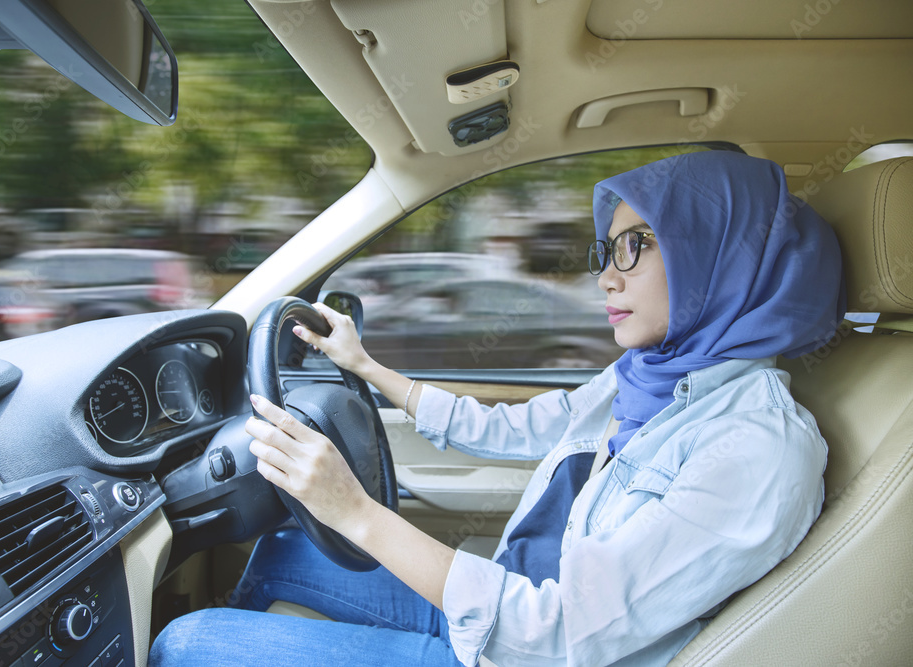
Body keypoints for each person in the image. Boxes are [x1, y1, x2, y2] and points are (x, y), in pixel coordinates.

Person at [149, 150, 845, 666]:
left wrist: (355, 510)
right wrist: (365, 366)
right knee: (284, 549)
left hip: (525, 647)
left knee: (186, 643)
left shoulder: (757, 447)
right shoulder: (649, 375)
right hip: (500, 597)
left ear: (722, 255)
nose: (606, 276)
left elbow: (559, 634)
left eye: (637, 245)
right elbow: (517, 426)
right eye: (608, 249)